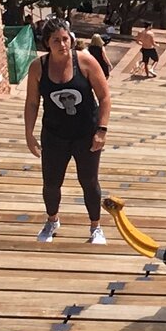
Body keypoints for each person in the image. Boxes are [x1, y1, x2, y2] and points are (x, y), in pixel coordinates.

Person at [22, 15, 111, 244]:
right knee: (51, 183)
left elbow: (104, 96)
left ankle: (95, 227)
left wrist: (101, 130)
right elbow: (32, 102)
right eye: (55, 41)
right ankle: (52, 220)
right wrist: (29, 133)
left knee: (89, 181)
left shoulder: (85, 61)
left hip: (85, 133)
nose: (62, 45)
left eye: (65, 39)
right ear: (47, 44)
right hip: (54, 134)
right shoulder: (38, 67)